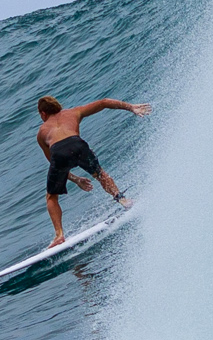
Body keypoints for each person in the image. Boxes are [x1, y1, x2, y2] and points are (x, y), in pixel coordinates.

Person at [35, 93, 150, 245]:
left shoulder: (41, 132)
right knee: (100, 174)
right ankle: (123, 200)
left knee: (51, 197)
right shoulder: (74, 112)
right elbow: (104, 102)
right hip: (78, 145)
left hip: (58, 151)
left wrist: (76, 180)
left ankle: (59, 235)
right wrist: (131, 107)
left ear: (43, 113)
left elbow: (54, 161)